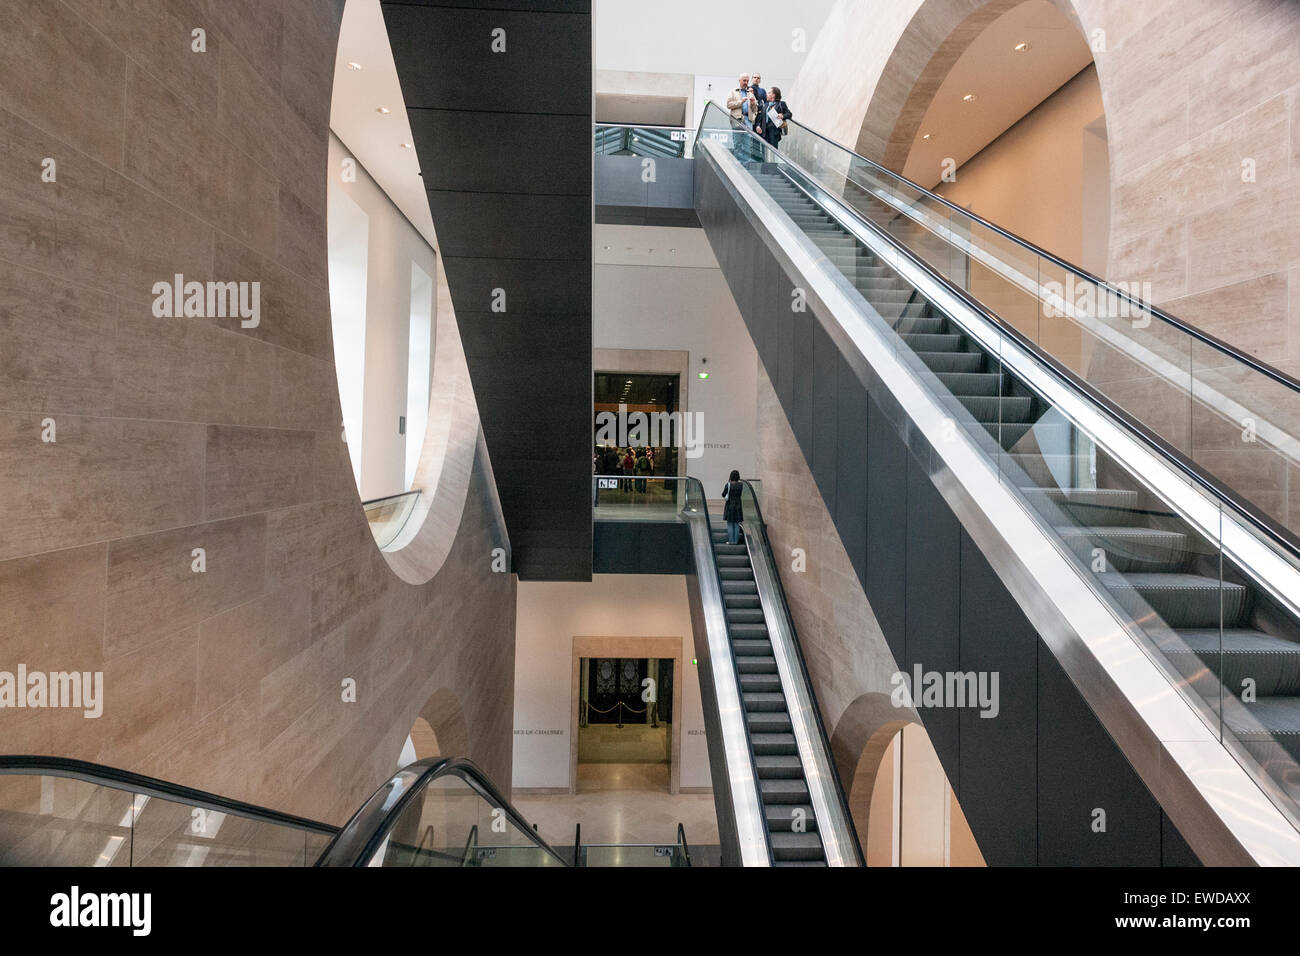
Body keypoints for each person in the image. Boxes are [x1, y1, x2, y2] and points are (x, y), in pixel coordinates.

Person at [721, 469, 744, 545]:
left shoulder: (728, 485)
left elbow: (723, 494)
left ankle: (731, 541)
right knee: (736, 524)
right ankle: (736, 541)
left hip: (730, 505)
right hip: (738, 506)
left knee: (730, 524)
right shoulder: (741, 485)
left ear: (731, 476)